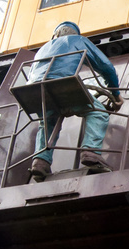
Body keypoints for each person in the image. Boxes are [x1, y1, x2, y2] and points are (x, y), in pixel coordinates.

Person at [27, 21, 122, 181]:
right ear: (74, 34)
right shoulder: (78, 41)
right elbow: (106, 67)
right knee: (97, 111)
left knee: (47, 120)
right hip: (63, 86)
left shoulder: (42, 49)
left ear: (55, 35)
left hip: (37, 91)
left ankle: (40, 162)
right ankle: (90, 153)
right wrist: (115, 93)